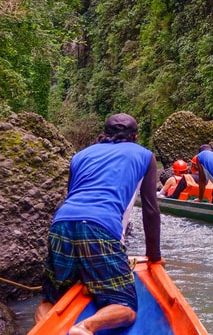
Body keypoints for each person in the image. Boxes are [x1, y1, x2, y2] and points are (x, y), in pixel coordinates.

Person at [35, 113, 162, 335]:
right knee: (126, 307)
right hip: (100, 227)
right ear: (136, 136)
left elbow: (72, 194)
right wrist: (154, 257)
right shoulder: (144, 155)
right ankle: (85, 327)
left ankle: (42, 329)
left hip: (62, 223)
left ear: (103, 134)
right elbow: (151, 210)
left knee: (50, 297)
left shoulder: (80, 156)